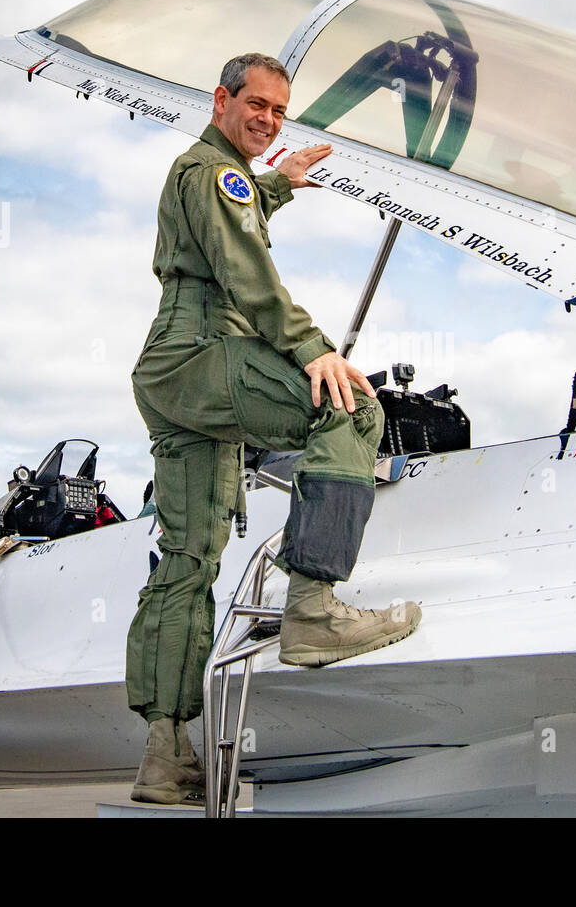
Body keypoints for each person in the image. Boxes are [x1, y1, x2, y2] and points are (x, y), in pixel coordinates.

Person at [124, 53, 421, 805]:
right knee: (352, 406)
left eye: (280, 111)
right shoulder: (210, 172)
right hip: (202, 351)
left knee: (188, 560)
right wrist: (313, 347)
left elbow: (232, 216)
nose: (267, 119)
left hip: (170, 376)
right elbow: (245, 267)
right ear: (220, 99)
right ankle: (314, 612)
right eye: (256, 104)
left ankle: (164, 758)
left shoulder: (212, 176)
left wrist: (281, 183)